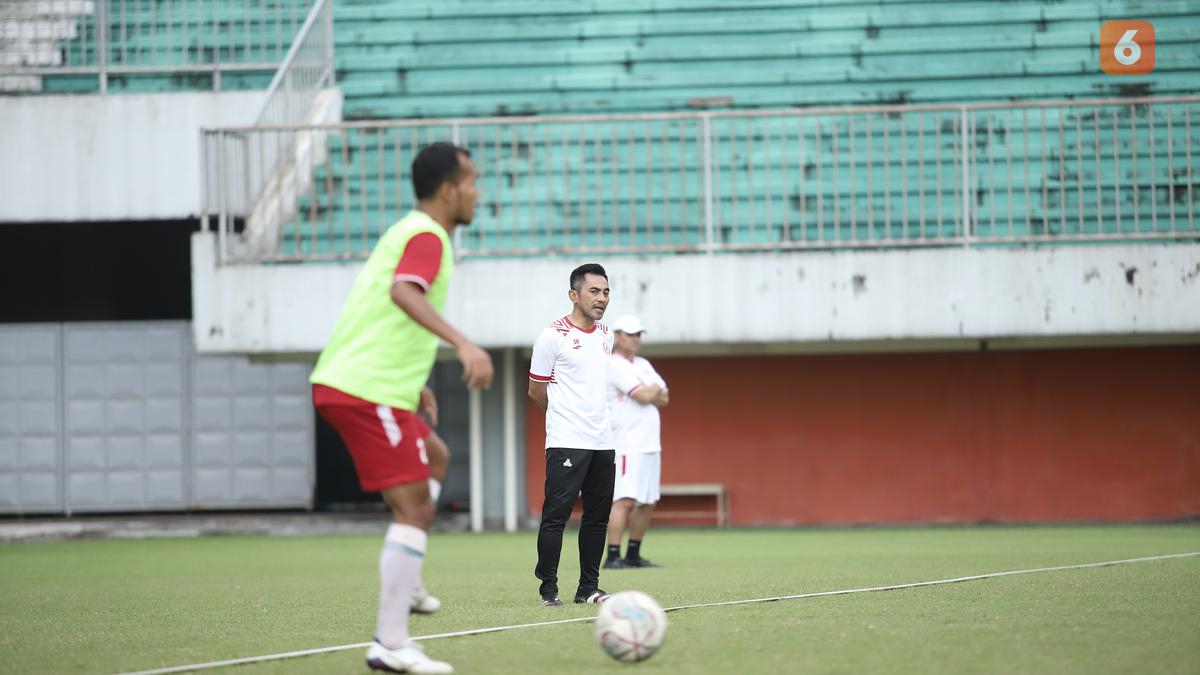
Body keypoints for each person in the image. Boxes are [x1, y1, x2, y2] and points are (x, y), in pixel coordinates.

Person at [310, 142, 493, 674]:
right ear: (448, 189)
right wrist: (464, 344)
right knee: (414, 508)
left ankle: (407, 584)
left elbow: (375, 312)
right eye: (472, 180)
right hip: (365, 390)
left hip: (366, 385)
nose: (478, 191)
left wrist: (414, 386)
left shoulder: (404, 230)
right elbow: (402, 293)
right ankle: (390, 643)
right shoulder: (428, 236)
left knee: (435, 456)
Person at [528, 263, 616, 607]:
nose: (602, 298)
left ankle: (588, 589)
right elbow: (536, 391)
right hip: (566, 441)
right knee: (557, 516)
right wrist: (565, 418)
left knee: (597, 517)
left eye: (606, 292)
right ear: (573, 295)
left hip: (603, 442)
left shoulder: (607, 334)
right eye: (594, 291)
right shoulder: (552, 336)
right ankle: (548, 590)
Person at [603, 316, 669, 569]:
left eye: (638, 334)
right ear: (617, 336)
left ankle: (633, 554)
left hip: (650, 444)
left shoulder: (643, 364)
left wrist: (651, 392)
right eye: (630, 334)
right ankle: (613, 556)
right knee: (625, 499)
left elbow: (665, 397)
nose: (635, 339)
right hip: (627, 443)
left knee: (648, 501)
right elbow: (644, 396)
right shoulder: (613, 364)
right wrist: (651, 390)